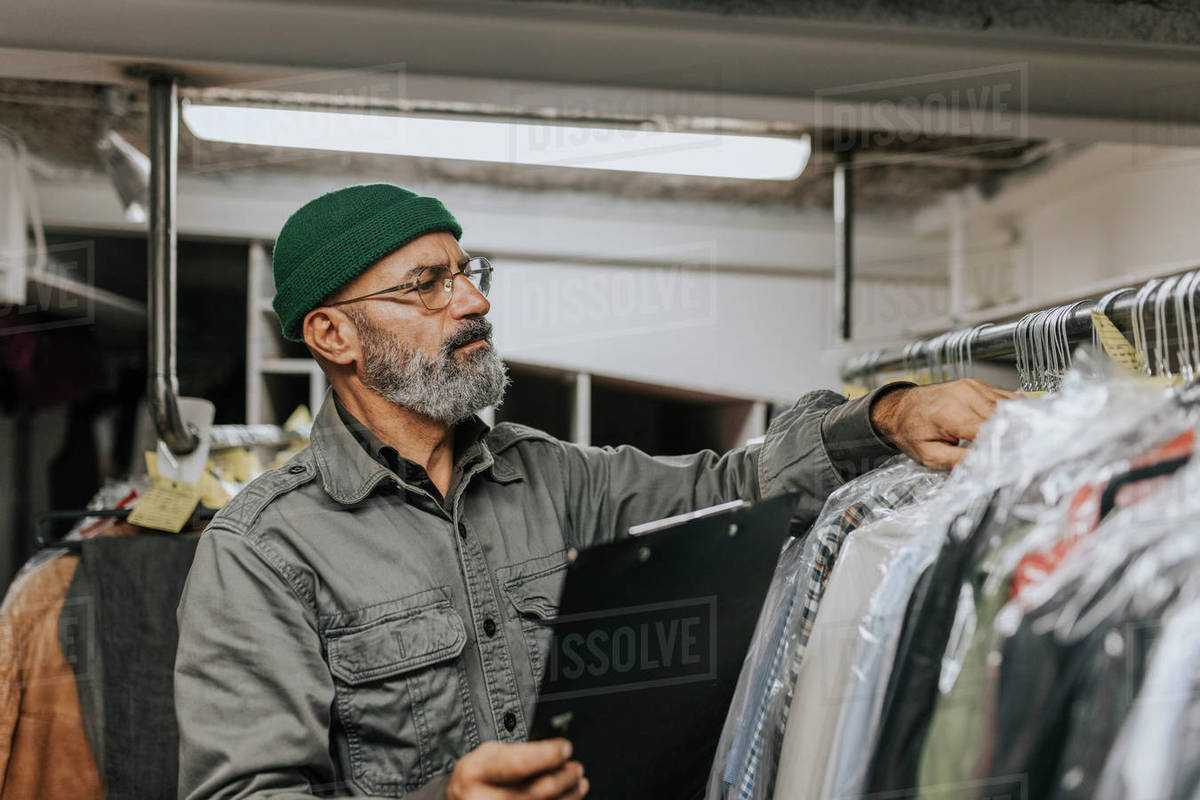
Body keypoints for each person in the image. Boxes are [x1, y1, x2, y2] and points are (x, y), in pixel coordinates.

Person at [174, 183, 1015, 800]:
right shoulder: (264, 552)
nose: (473, 301)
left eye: (469, 272)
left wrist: (891, 415)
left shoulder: (555, 478)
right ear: (332, 334)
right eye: (427, 284)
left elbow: (736, 488)